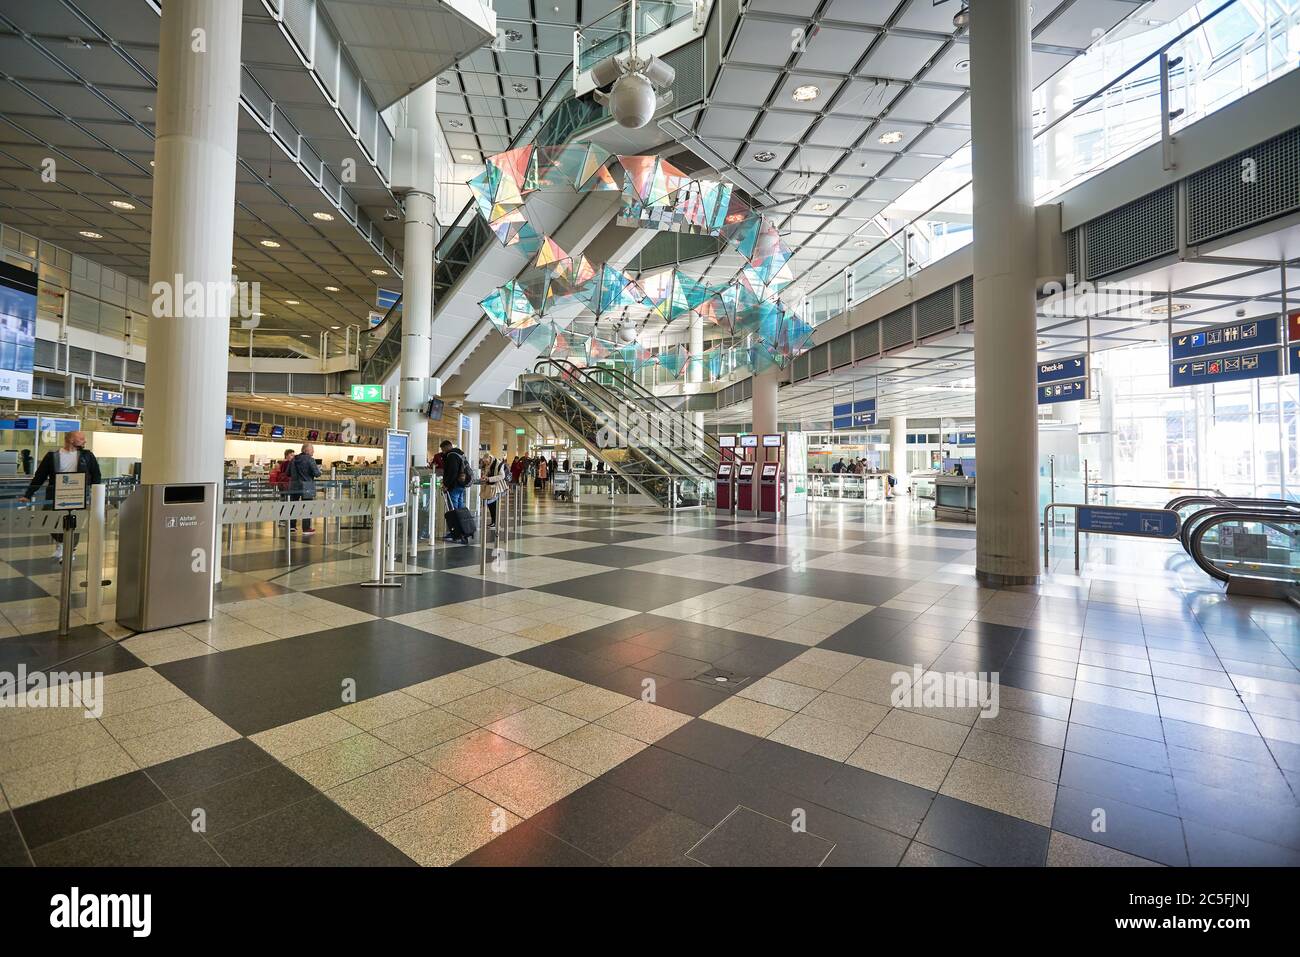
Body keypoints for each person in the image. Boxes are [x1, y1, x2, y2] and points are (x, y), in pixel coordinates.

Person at [19, 430, 102, 561]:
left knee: (74, 521)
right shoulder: (53, 456)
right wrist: (28, 494)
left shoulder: (87, 456)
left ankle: (70, 550)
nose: (85, 441)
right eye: (81, 438)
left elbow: (96, 475)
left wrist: (96, 494)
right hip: (55, 494)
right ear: (70, 440)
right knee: (48, 520)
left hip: (77, 495)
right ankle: (61, 543)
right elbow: (39, 476)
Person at [439, 440, 471, 542]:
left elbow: (452, 472)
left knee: (453, 509)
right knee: (460, 508)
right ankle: (464, 529)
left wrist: (446, 485)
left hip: (454, 486)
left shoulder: (451, 456)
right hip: (461, 485)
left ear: (446, 447)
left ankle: (456, 532)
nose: (442, 452)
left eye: (443, 449)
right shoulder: (459, 454)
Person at [287, 442, 321, 534]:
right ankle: (306, 528)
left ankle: (291, 526)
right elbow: (317, 474)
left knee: (293, 506)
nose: (313, 451)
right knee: (307, 507)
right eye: (312, 449)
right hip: (307, 486)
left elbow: (287, 473)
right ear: (306, 450)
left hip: (294, 486)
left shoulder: (293, 460)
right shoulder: (310, 460)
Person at [480, 453, 507, 530]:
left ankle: (496, 523)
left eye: (487, 462)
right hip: (490, 487)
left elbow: (502, 476)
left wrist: (489, 479)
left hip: (497, 487)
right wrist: (484, 477)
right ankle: (493, 522)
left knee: (493, 505)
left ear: (490, 459)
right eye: (485, 462)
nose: (486, 464)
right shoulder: (488, 464)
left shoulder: (498, 464)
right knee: (490, 505)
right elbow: (487, 473)